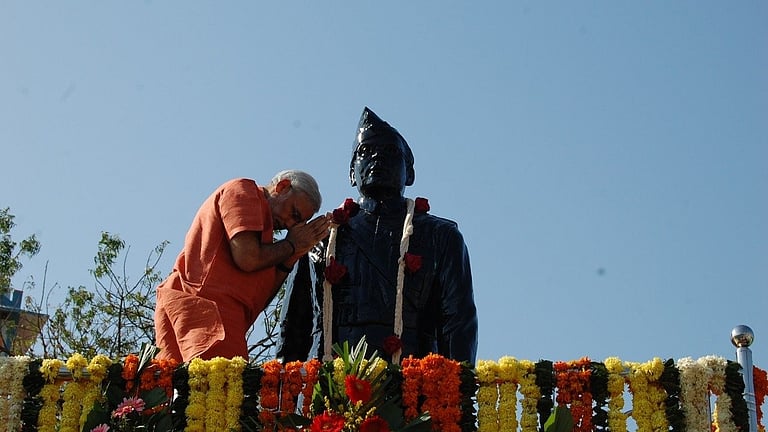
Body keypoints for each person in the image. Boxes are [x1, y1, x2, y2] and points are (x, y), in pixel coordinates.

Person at [277, 107, 478, 365]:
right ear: (351, 173)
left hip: (411, 383)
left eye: (390, 153)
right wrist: (281, 395)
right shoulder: (321, 236)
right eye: (365, 152)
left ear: (410, 172)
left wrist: (456, 391)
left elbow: (458, 322)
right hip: (328, 384)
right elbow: (294, 327)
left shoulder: (440, 236)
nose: (376, 159)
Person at [154, 170, 331, 362]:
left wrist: (292, 255)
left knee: (193, 389)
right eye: (293, 214)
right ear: (282, 187)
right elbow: (247, 258)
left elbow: (259, 300)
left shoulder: (268, 241)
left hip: (220, 321)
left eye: (297, 223)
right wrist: (291, 245)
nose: (289, 224)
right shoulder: (243, 191)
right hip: (204, 312)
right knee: (214, 388)